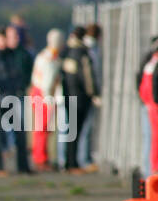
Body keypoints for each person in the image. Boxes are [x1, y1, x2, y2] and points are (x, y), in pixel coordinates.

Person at [0, 26, 32, 175]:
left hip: (13, 98)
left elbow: (17, 75)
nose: (4, 41)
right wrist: (4, 86)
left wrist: (17, 87)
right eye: (1, 38)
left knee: (20, 133)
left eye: (5, 38)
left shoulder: (11, 55)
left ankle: (23, 167)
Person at [59, 27, 98, 172]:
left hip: (68, 94)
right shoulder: (82, 52)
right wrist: (94, 93)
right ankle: (72, 163)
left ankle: (69, 161)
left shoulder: (66, 51)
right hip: (80, 96)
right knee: (76, 131)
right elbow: (87, 77)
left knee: (71, 130)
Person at [28, 29, 64, 170]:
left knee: (41, 127)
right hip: (44, 94)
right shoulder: (51, 58)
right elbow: (48, 81)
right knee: (43, 127)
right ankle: (41, 158)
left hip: (38, 91)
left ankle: (40, 155)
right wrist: (49, 99)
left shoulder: (43, 54)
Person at [136, 35, 158, 175]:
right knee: (155, 139)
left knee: (150, 139)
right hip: (154, 106)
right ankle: (152, 173)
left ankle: (148, 172)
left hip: (148, 104)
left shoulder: (149, 61)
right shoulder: (155, 63)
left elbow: (141, 83)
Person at [80, 24, 103, 170]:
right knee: (86, 128)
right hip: (87, 94)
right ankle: (84, 159)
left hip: (84, 93)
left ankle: (83, 158)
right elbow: (91, 74)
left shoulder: (85, 48)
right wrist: (94, 93)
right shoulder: (90, 50)